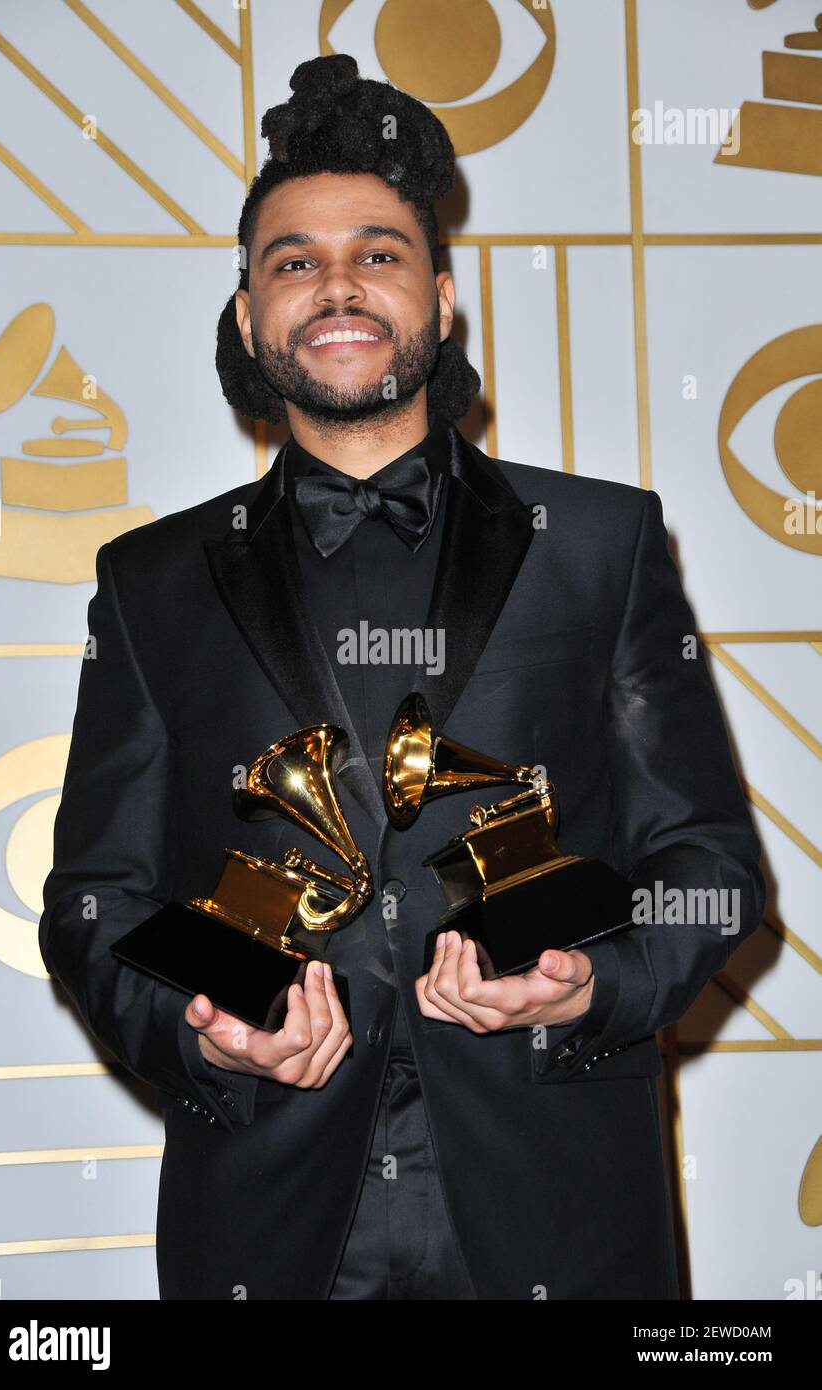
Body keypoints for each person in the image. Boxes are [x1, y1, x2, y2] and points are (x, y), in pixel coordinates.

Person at [39, 54, 765, 1300]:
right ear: (248, 312)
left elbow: (707, 867)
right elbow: (96, 903)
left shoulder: (600, 545)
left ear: (438, 291)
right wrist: (213, 1028)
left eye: (377, 252)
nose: (335, 283)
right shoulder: (148, 581)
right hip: (267, 1218)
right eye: (291, 260)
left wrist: (593, 977)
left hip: (561, 1210)